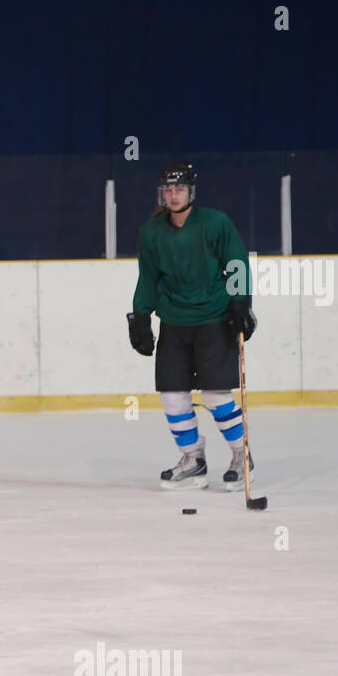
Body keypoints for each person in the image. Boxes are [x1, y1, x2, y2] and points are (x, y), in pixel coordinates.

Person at [126, 161, 257, 490]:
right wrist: (140, 315)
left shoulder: (215, 223)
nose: (173, 195)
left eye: (179, 188)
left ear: (191, 191)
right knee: (173, 397)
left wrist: (241, 302)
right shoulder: (151, 231)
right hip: (174, 322)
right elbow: (149, 277)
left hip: (213, 320)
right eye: (168, 189)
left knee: (215, 397)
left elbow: (236, 262)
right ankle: (193, 460)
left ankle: (241, 456)